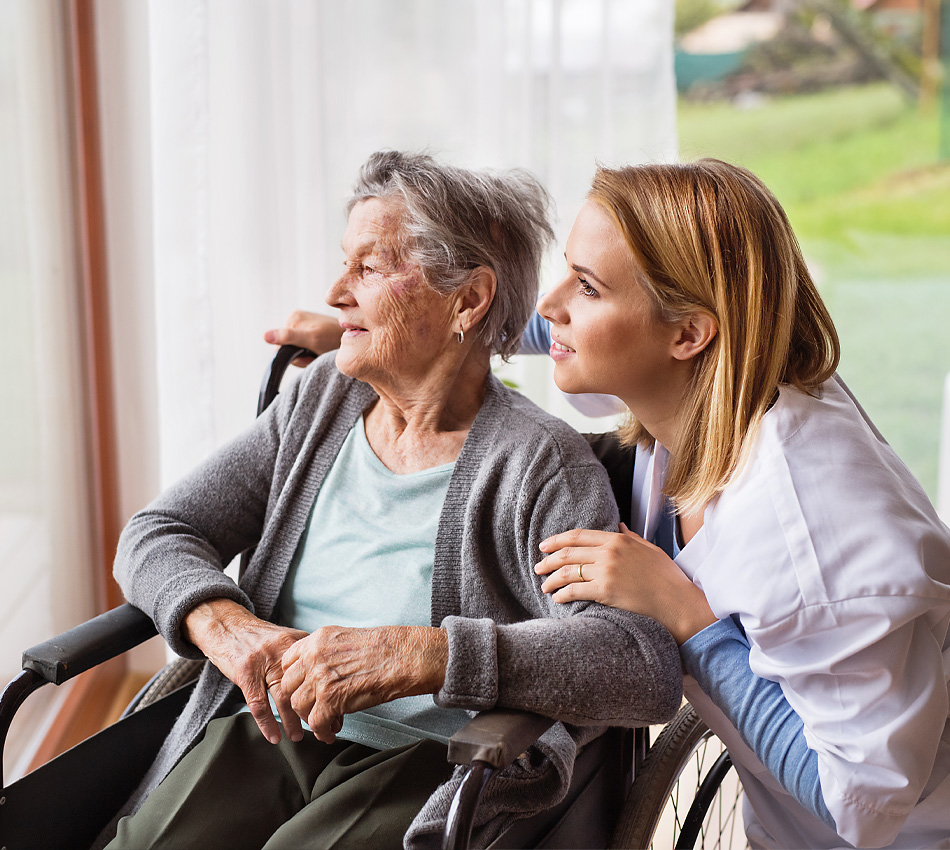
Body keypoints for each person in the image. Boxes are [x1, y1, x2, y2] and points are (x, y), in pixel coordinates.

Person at [272, 159, 950, 849]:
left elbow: (862, 807)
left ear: (689, 333)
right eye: (567, 268)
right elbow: (563, 327)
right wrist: (402, 335)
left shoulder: (813, 534)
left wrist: (686, 618)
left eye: (587, 287)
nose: (548, 302)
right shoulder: (713, 383)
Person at [100, 151, 682, 850]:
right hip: (268, 733)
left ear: (467, 301)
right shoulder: (321, 403)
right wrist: (229, 627)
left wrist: (425, 655)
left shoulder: (537, 463)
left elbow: (636, 663)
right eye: (345, 263)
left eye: (368, 268)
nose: (336, 291)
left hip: (428, 759)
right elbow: (160, 530)